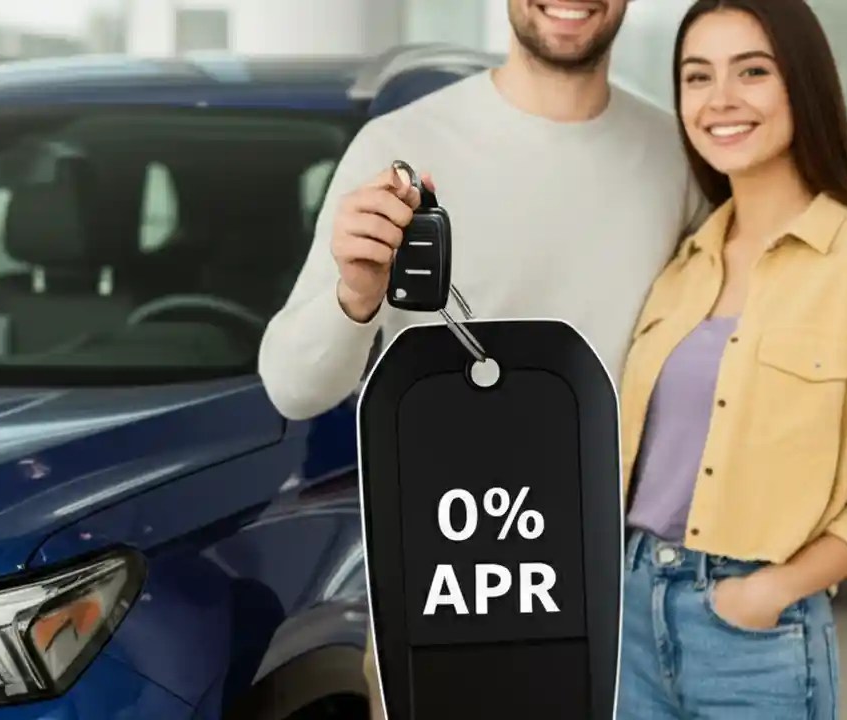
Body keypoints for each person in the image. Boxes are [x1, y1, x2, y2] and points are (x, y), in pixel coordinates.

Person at [256, 1, 709, 717]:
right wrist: (355, 292)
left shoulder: (676, 157)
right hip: (444, 598)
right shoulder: (400, 147)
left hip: (612, 612)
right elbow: (292, 387)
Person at [615, 1, 847, 718]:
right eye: (697, 77)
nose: (720, 99)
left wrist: (768, 592)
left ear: (804, 84)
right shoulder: (682, 263)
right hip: (627, 618)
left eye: (752, 71)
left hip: (754, 638)